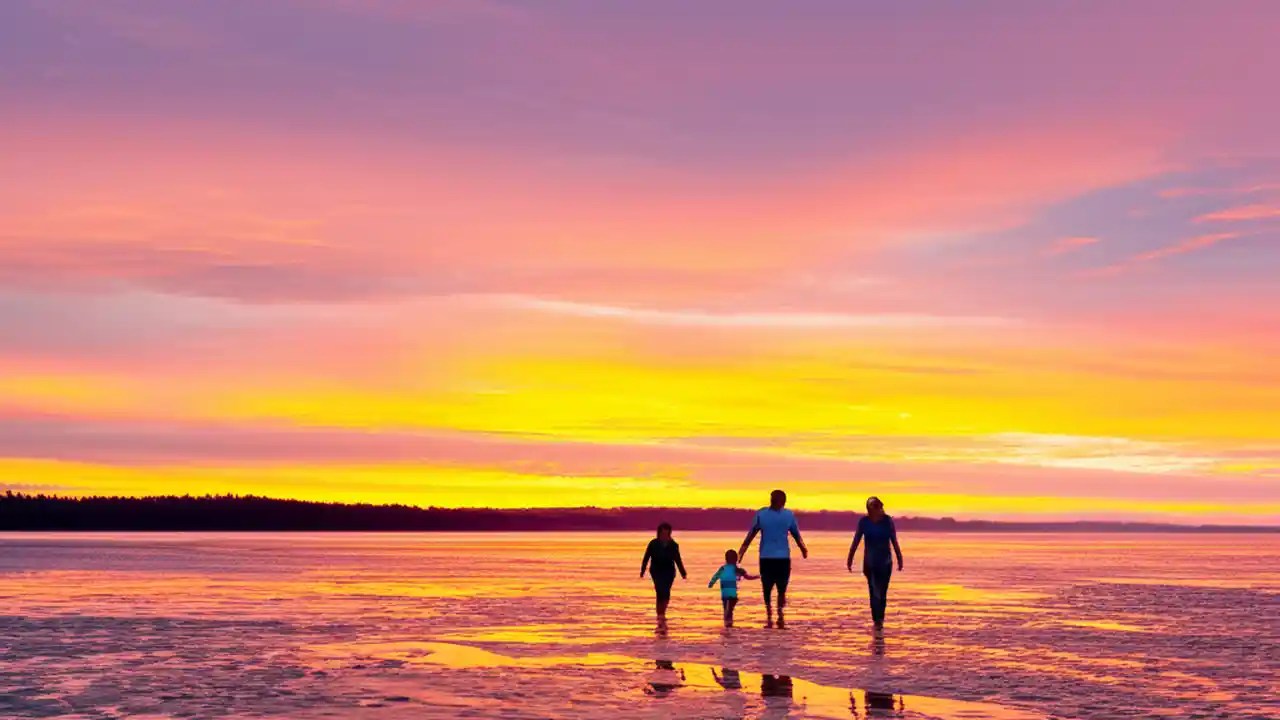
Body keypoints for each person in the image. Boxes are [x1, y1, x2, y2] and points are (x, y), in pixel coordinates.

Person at [738, 489, 808, 628]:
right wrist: (803, 549)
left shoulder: (766, 514)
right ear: (782, 501)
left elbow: (751, 534)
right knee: (773, 587)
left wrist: (742, 551)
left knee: (774, 588)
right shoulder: (781, 515)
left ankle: (773, 615)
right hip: (774, 557)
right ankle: (775, 615)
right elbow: (796, 535)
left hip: (771, 557)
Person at [846, 496, 904, 629]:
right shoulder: (864, 522)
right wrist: (850, 558)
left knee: (882, 593)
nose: (879, 510)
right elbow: (856, 540)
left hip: (885, 562)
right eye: (875, 508)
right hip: (869, 563)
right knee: (873, 590)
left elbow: (893, 540)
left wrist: (900, 558)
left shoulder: (887, 521)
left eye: (879, 507)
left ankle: (880, 620)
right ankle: (876, 620)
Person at [641, 522, 687, 630]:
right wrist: (642, 570)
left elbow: (677, 559)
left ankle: (663, 611)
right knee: (659, 590)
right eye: (662, 533)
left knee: (666, 591)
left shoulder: (673, 545)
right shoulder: (653, 544)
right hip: (656, 571)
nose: (664, 535)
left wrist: (683, 572)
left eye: (667, 533)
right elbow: (646, 557)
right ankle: (659, 613)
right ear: (659, 533)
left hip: (669, 571)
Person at [708, 549, 757, 627]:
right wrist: (758, 577)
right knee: (730, 609)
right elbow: (748, 577)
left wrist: (711, 584)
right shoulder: (737, 569)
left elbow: (715, 576)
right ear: (736, 559)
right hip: (732, 593)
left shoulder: (723, 568)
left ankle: (727, 624)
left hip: (724, 592)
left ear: (726, 559)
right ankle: (729, 623)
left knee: (726, 609)